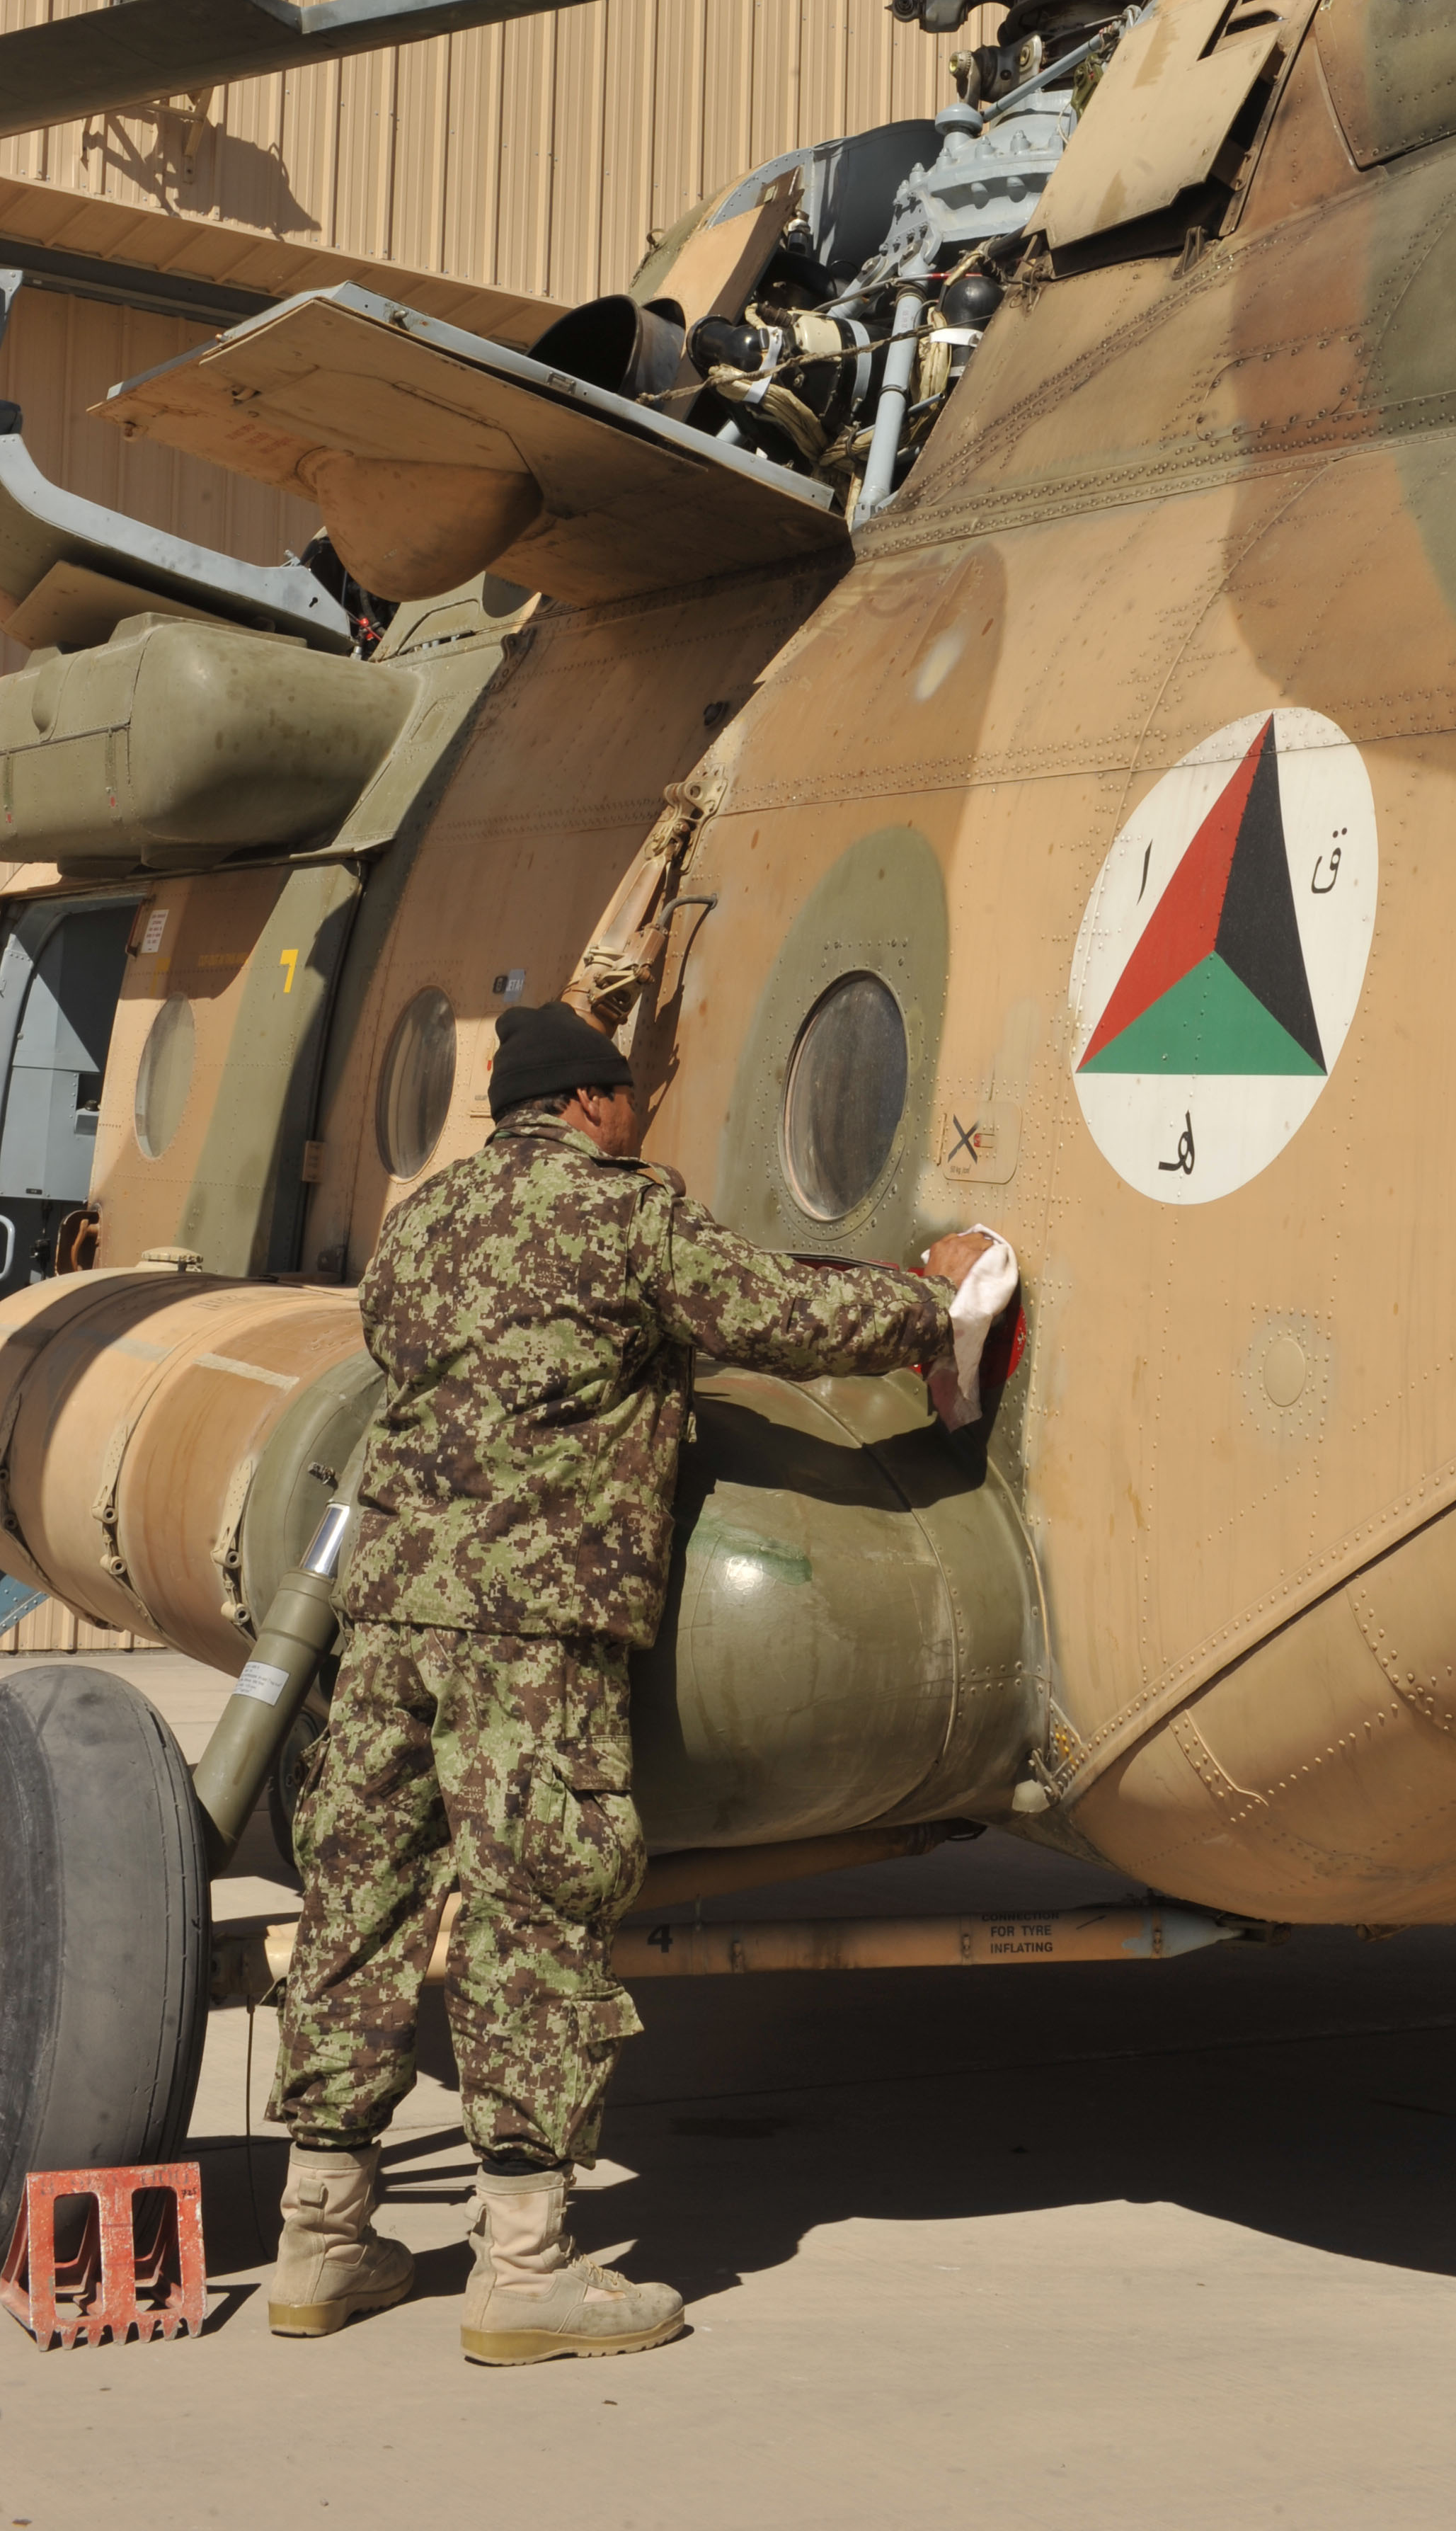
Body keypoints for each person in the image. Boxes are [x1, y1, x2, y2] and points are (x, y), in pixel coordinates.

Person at [265, 999, 988, 2365]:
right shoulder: (619, 1212)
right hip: (529, 1631)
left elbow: (391, 1349)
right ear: (591, 1102)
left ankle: (322, 2241)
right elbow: (774, 1312)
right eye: (628, 1095)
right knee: (532, 1917)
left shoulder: (420, 1226)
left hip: (389, 1619)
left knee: (358, 1907)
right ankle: (525, 2269)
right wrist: (931, 1296)